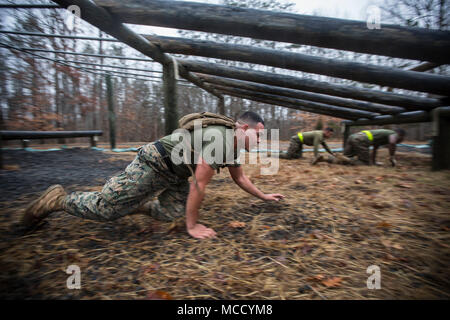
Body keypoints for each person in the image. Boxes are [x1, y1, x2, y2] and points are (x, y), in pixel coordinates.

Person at [21, 111, 285, 239]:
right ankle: (57, 200)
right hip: (155, 163)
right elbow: (199, 186)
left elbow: (240, 178)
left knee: (170, 212)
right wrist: (192, 226)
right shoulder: (223, 138)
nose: (260, 140)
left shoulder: (233, 145)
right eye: (259, 134)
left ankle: (134, 202)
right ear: (243, 127)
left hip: (174, 174)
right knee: (106, 209)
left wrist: (264, 196)